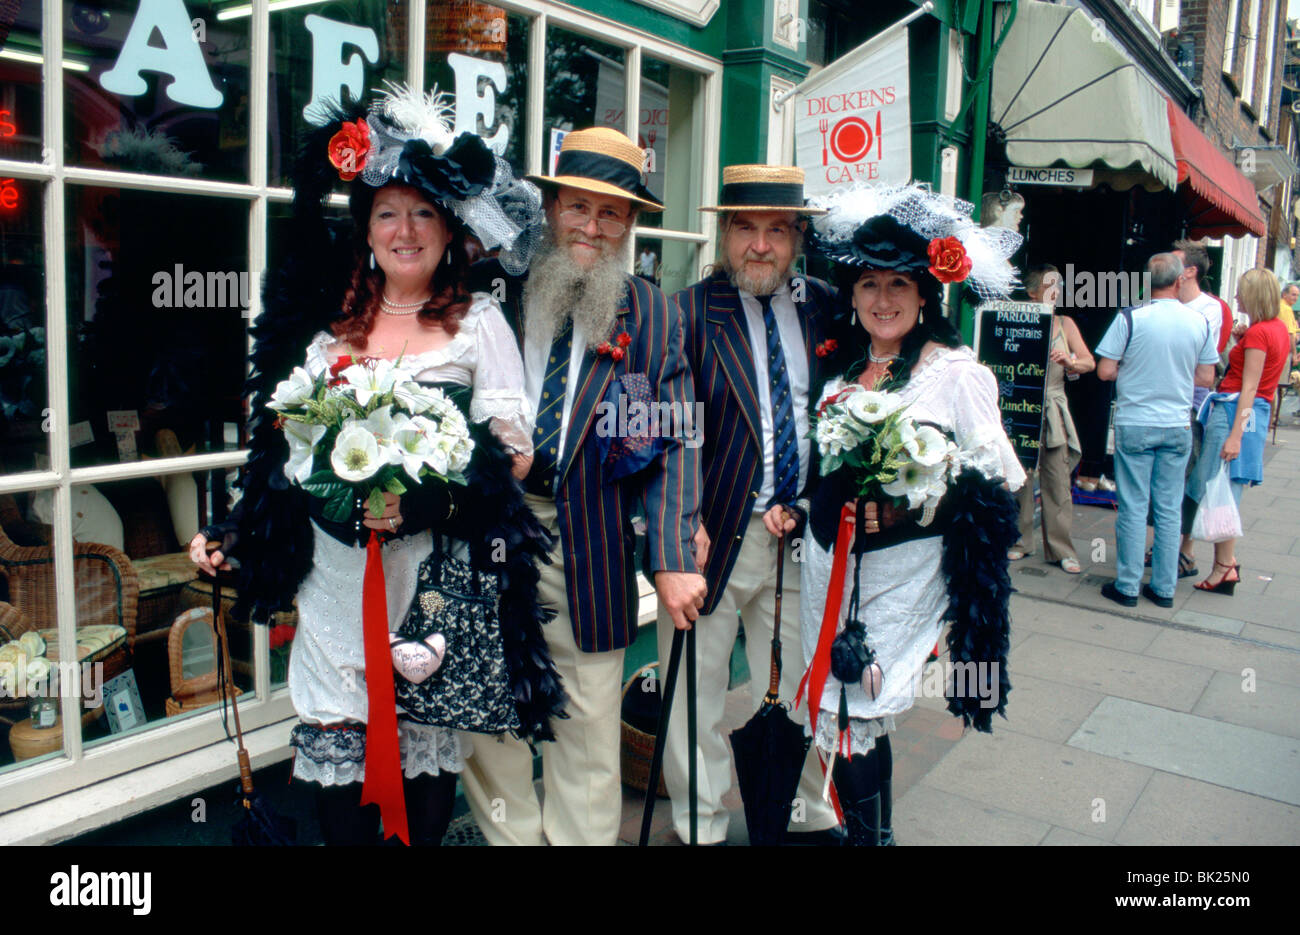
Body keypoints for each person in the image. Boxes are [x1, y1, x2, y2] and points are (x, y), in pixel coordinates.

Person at [189, 89, 565, 846]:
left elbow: (514, 461)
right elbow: (283, 459)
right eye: (388, 213)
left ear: (449, 230)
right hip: (333, 588)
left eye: (424, 213)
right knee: (343, 799)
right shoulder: (331, 333)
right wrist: (235, 533)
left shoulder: (478, 324)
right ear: (365, 229)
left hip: (426, 587)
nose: (406, 230)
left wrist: (431, 502)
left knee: (420, 793)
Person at [462, 126, 706, 846]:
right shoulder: (489, 289)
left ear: (629, 225)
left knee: (591, 719)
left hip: (591, 537)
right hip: (490, 527)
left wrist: (671, 556)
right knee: (489, 706)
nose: (591, 227)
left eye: (611, 214)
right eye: (577, 206)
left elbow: (672, 442)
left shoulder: (653, 315)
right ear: (551, 207)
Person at [800, 183, 1026, 845]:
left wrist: (910, 508)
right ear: (852, 292)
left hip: (902, 572)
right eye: (869, 283)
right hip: (826, 562)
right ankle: (873, 836)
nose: (883, 299)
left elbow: (999, 483)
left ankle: (871, 839)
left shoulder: (955, 373)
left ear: (926, 292)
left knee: (858, 700)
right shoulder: (843, 365)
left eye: (899, 284)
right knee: (840, 704)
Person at [664, 164, 842, 845]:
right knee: (696, 692)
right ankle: (701, 825)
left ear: (798, 238)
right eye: (745, 228)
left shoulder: (827, 307)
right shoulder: (686, 313)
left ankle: (806, 815)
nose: (760, 245)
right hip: (713, 534)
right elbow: (667, 432)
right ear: (724, 234)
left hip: (800, 534)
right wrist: (680, 528)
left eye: (777, 230)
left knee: (805, 682)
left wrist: (813, 499)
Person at [1094, 253, 1218, 609]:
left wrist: (1133, 371)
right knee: (1169, 507)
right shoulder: (1198, 321)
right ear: (1179, 281)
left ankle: (1127, 586)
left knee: (1133, 506)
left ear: (1146, 282)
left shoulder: (1129, 318)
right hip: (1177, 423)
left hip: (1135, 421)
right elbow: (1206, 377)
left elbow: (1105, 371)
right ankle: (1164, 588)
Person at [1180, 268, 1292, 593]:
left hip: (1233, 412)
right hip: (1252, 411)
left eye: (1241, 292)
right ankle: (1222, 565)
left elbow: (1249, 387)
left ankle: (1224, 565)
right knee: (1224, 489)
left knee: (1216, 488)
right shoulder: (1276, 329)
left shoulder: (1259, 334)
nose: (1237, 297)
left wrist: (1235, 435)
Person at [1009, 264, 1094, 573]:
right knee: (1020, 477)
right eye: (1050, 286)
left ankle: (1061, 550)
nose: (1056, 291)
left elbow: (1089, 362)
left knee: (1057, 478)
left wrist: (1070, 361)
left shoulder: (1064, 323)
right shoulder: (1014, 319)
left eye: (1059, 285)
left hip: (1053, 406)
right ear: (1033, 292)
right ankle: (1020, 541)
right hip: (1020, 405)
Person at [1166, 240, 1230, 577]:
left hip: (1190, 405)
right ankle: (1164, 545)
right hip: (1163, 401)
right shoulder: (1165, 301)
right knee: (1164, 480)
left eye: (1175, 262)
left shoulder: (1209, 308)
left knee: (1188, 477)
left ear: (1190, 271)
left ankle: (1184, 550)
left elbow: (1199, 361)